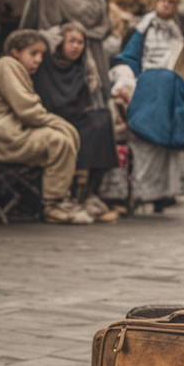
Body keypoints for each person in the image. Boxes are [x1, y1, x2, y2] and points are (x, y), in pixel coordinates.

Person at [108, 0, 184, 212]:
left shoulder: (182, 26)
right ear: (156, 1)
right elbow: (129, 57)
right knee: (148, 135)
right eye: (163, 0)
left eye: (171, 2)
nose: (166, 5)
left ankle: (168, 190)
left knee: (174, 137)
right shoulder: (142, 27)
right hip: (148, 86)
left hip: (173, 87)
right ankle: (146, 190)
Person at [0, 29, 92, 224]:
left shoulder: (13, 68)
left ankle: (55, 197)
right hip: (1, 134)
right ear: (15, 52)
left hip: (8, 131)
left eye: (41, 55)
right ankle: (54, 204)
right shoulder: (8, 65)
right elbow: (28, 110)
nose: (38, 60)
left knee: (58, 139)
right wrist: (64, 127)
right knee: (58, 141)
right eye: (33, 54)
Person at [32, 22, 119, 220]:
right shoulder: (47, 64)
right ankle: (71, 193)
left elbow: (85, 99)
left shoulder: (82, 66)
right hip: (51, 116)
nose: (76, 47)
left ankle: (91, 191)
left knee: (102, 120)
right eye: (71, 41)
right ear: (61, 42)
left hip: (75, 115)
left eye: (80, 42)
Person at [21, 0, 111, 103]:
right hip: (59, 67)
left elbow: (105, 27)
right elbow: (26, 33)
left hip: (94, 59)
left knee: (95, 113)